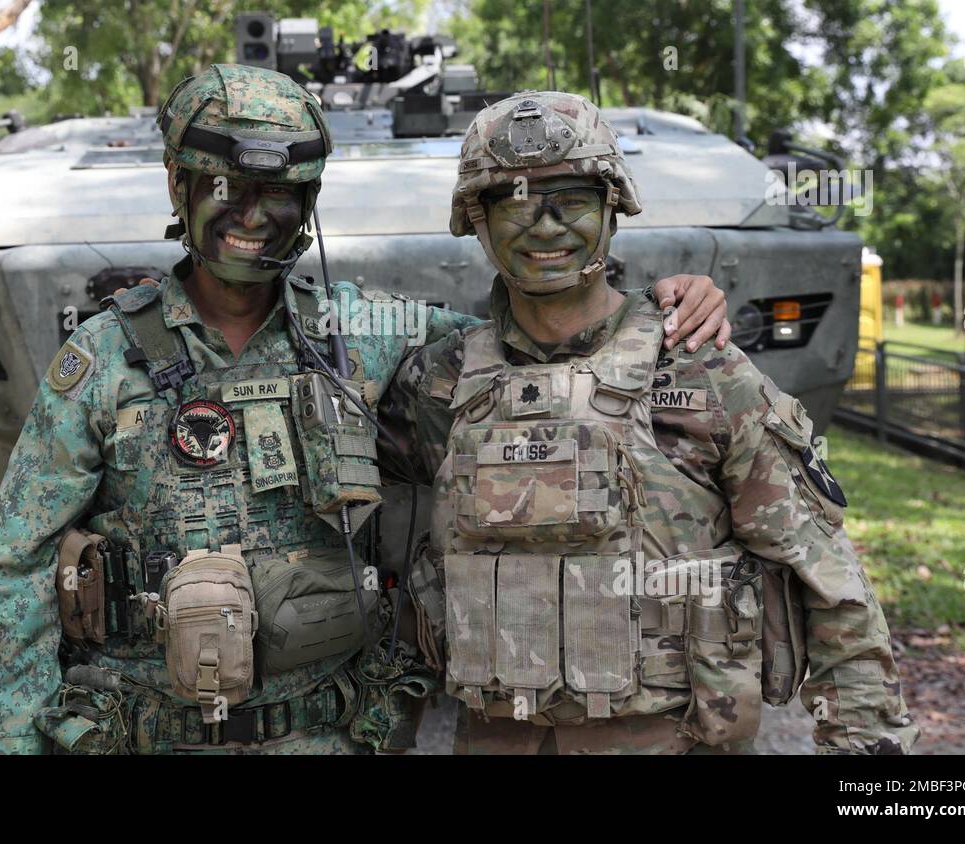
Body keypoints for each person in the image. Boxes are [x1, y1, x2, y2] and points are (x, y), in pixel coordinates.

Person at [0, 66, 731, 754]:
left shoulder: (364, 332)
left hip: (319, 733)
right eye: (227, 188)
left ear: (309, 201)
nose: (253, 215)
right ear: (179, 187)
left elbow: (539, 342)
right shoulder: (103, 360)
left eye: (280, 194)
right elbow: (12, 573)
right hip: (145, 729)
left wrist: (662, 299)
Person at [380, 90, 918, 755]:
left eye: (571, 200)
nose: (545, 227)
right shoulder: (438, 383)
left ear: (613, 207)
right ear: (476, 219)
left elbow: (826, 577)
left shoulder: (704, 370)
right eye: (515, 201)